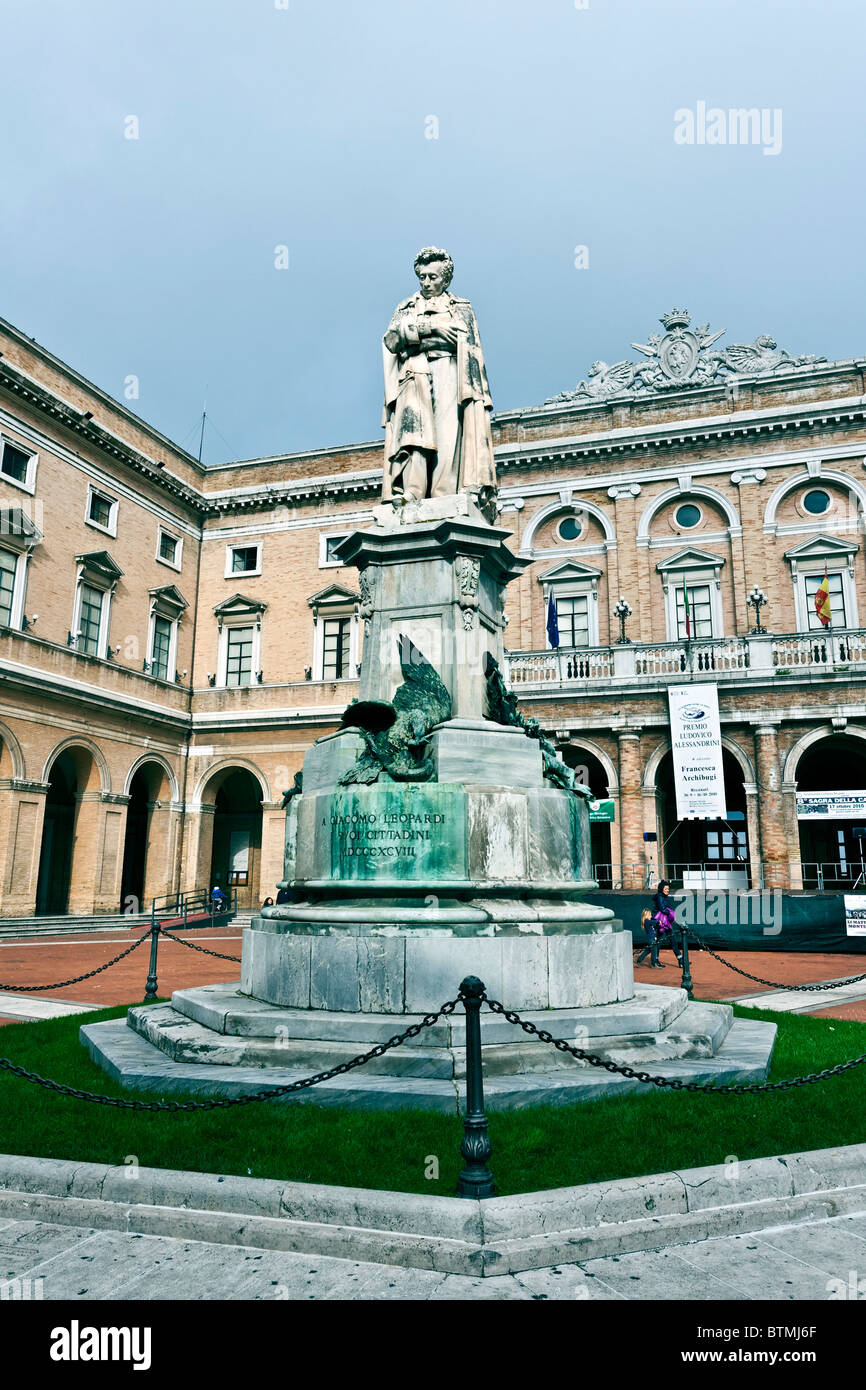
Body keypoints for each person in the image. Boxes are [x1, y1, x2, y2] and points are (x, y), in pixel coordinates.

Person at [381, 247, 496, 503]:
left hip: (450, 371)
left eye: (432, 277)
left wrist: (416, 337)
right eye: (422, 276)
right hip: (414, 372)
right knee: (413, 436)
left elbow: (468, 345)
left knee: (448, 435)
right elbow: (391, 340)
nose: (426, 282)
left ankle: (444, 494)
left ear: (445, 279)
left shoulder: (462, 308)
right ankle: (412, 491)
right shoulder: (406, 307)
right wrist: (432, 327)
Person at [651, 880, 683, 966]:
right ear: (662, 889)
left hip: (666, 921)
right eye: (666, 889)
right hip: (660, 922)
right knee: (658, 941)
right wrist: (670, 913)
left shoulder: (665, 897)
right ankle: (655, 960)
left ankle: (680, 960)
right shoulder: (660, 897)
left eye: (668, 889)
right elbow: (662, 909)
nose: (667, 890)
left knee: (672, 940)